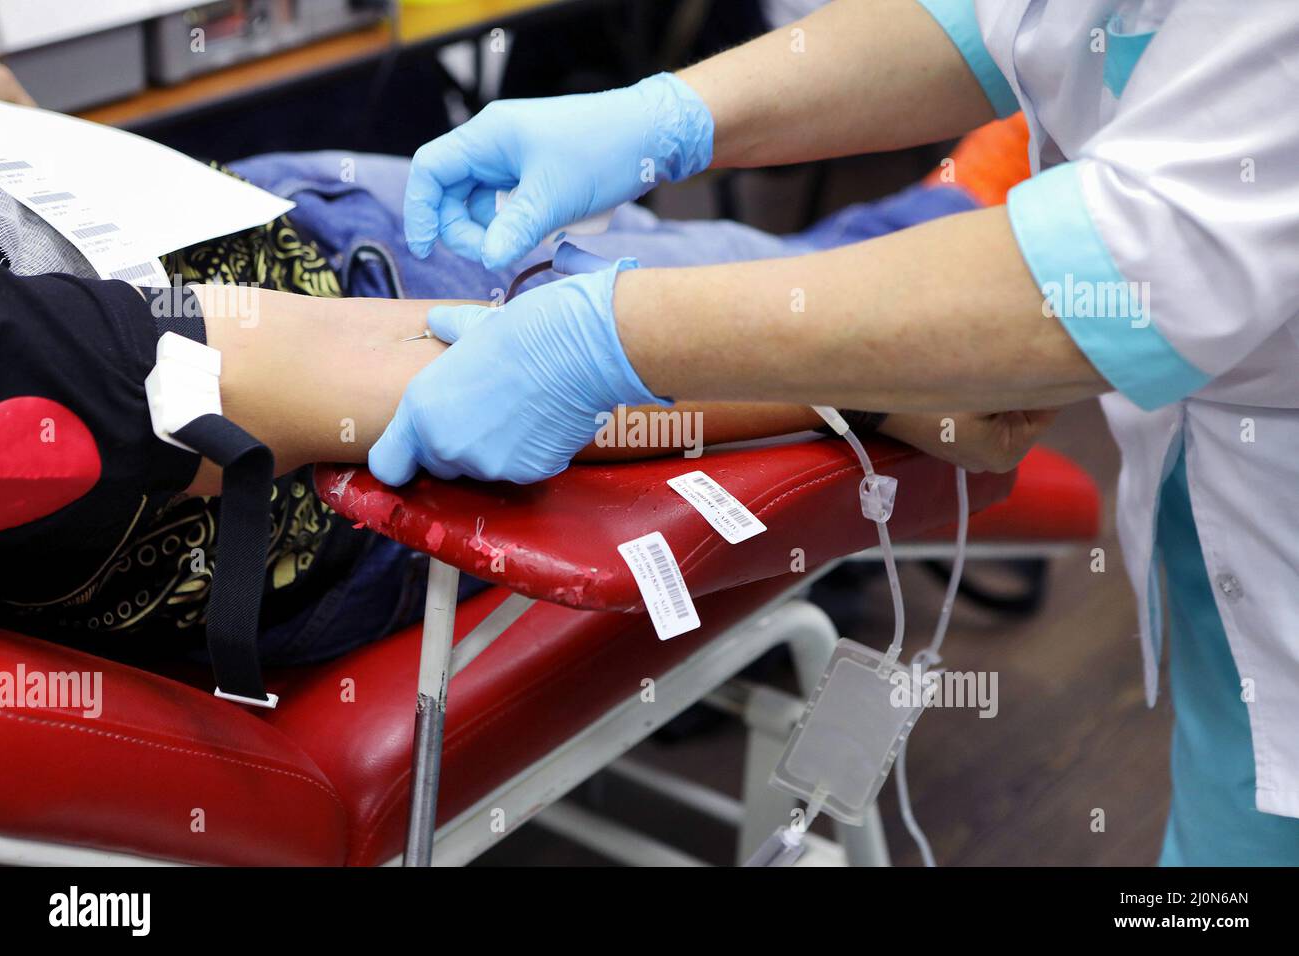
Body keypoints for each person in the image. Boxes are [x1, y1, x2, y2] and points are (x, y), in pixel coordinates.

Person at [382, 0, 1299, 865]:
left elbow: (1124, 271)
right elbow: (1002, 23)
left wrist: (610, 339)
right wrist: (663, 116)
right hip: (1215, 465)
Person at [0, 68, 1046, 671]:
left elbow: (29, 137)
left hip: (260, 221)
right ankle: (975, 202)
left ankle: (962, 196)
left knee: (746, 261)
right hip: (379, 313)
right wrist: (874, 381)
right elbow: (463, 380)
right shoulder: (36, 385)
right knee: (813, 288)